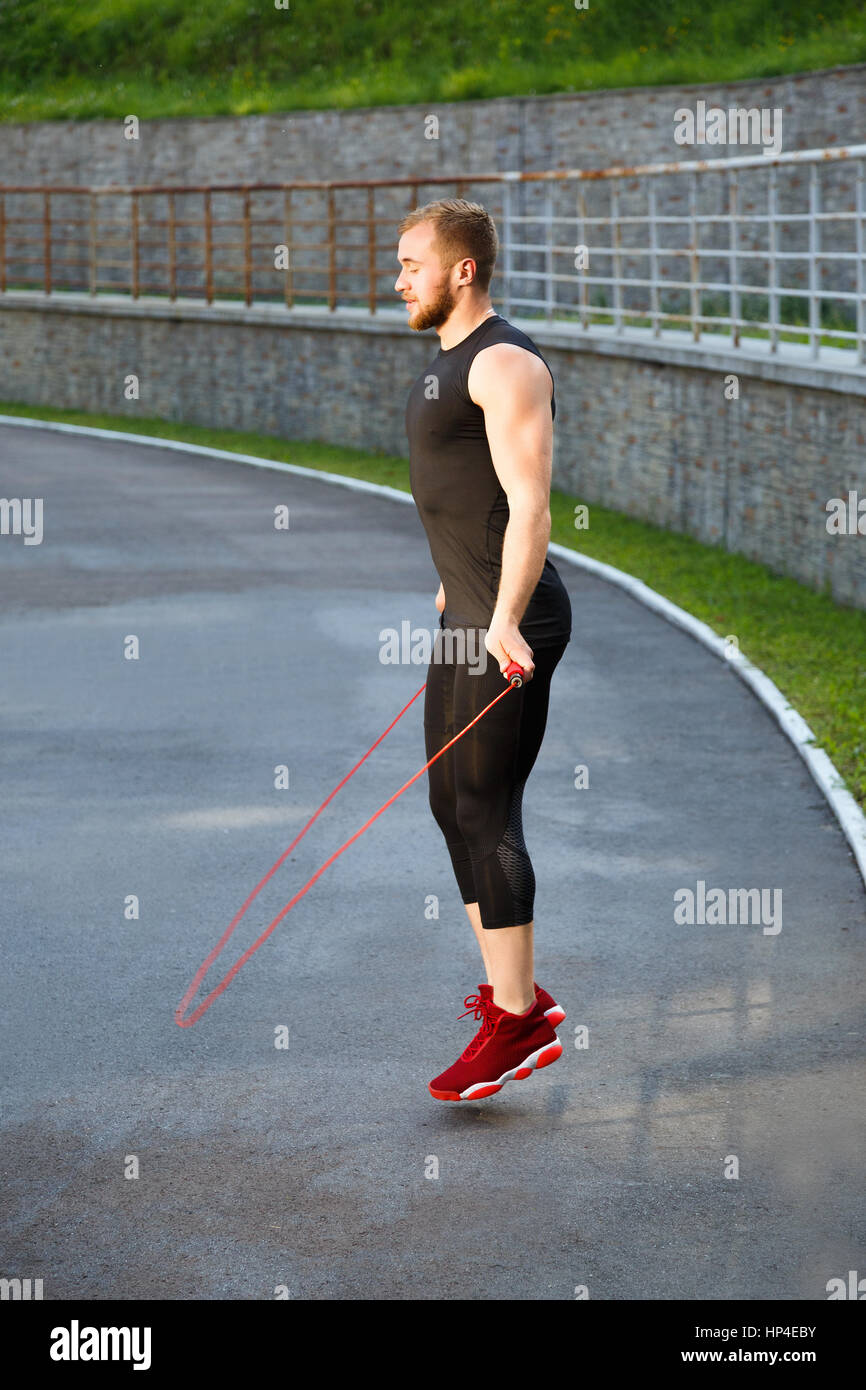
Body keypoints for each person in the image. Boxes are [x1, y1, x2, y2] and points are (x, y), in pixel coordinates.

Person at [397, 198, 572, 1102]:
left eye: (413, 266)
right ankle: (519, 1000)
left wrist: (500, 613)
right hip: (466, 607)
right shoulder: (450, 364)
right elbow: (468, 495)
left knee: (485, 804)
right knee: (445, 802)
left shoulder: (504, 362)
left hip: (514, 620)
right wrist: (453, 580)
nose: (400, 282)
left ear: (463, 271)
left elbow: (531, 502)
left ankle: (516, 1022)